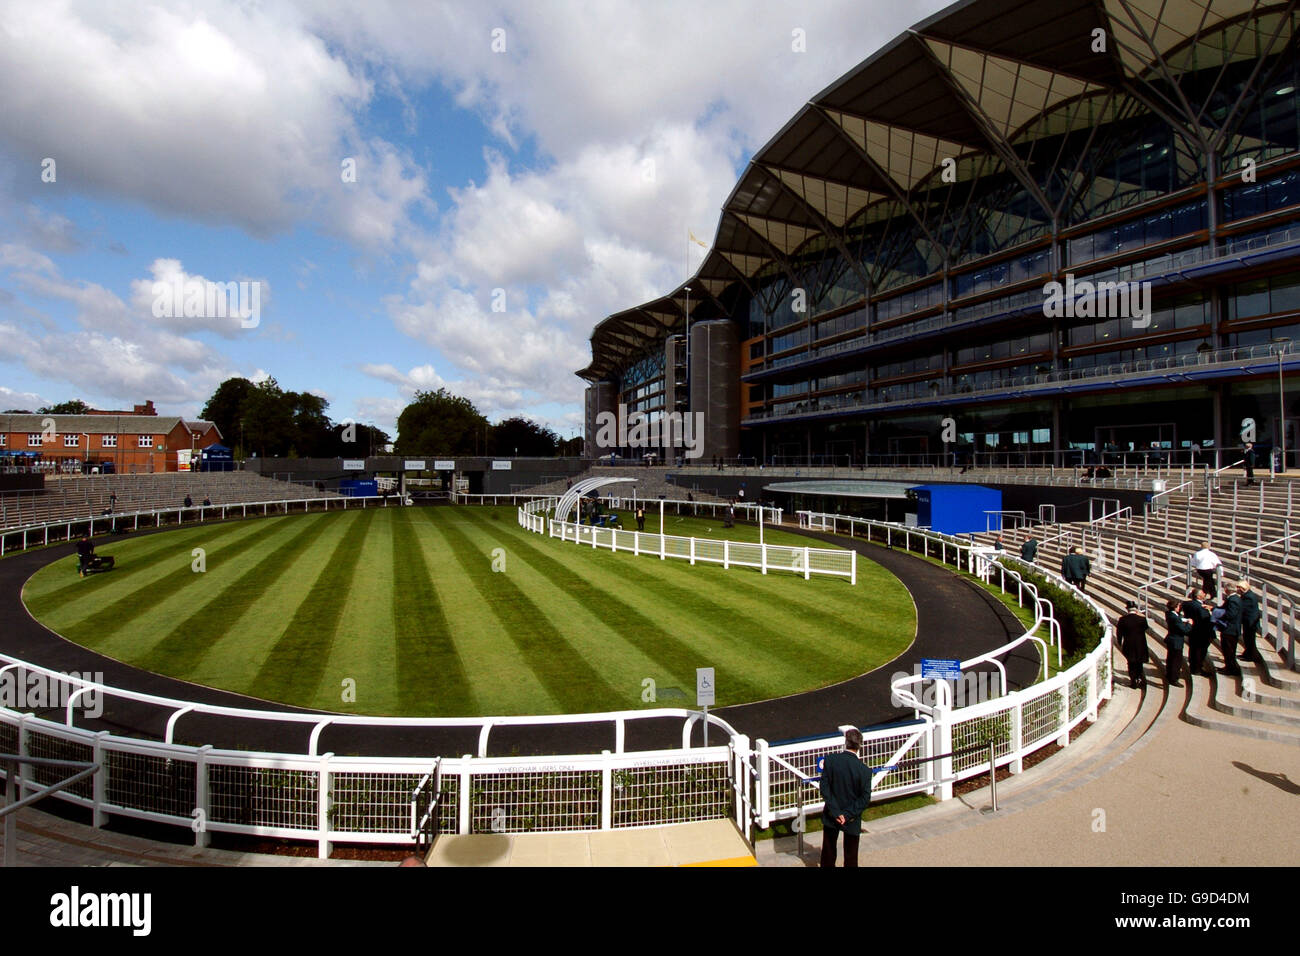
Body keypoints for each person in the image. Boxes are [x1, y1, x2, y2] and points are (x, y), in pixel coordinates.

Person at [818, 727, 872, 868]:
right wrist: (846, 815)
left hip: (832, 813)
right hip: (852, 817)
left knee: (828, 852)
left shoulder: (831, 760)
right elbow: (864, 799)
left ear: (846, 742)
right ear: (859, 745)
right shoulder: (864, 771)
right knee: (851, 856)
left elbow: (825, 788)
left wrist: (836, 812)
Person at [1116, 601, 1150, 689]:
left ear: (1127, 609)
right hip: (1140, 645)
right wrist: (1142, 616)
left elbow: (1119, 633)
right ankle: (1141, 680)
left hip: (1128, 645)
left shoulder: (1122, 620)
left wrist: (1119, 642)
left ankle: (1133, 681)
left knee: (1131, 664)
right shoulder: (1141, 619)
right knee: (1139, 664)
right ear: (1136, 610)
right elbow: (1146, 627)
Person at [1183, 588, 1215, 679]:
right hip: (1202, 633)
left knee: (1193, 650)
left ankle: (1193, 667)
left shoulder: (1187, 604)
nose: (1205, 594)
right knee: (1199, 652)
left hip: (1193, 631)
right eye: (1203, 593)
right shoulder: (1200, 608)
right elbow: (1206, 620)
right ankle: (1197, 669)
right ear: (1198, 596)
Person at [1162, 596, 1191, 688]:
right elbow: (1185, 630)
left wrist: (1183, 619)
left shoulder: (1169, 614)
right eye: (1178, 606)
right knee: (1176, 661)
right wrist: (1190, 624)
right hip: (1176, 641)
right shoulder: (1174, 618)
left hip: (1171, 640)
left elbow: (1178, 618)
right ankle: (1174, 679)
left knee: (1171, 659)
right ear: (1175, 607)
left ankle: (1169, 674)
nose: (1180, 608)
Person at [1218, 584, 1244, 677]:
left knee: (1229, 650)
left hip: (1230, 629)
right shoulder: (1234, 599)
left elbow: (1230, 614)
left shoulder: (1233, 600)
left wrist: (1218, 614)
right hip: (1231, 629)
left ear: (1227, 590)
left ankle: (1231, 669)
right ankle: (1228, 667)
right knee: (1228, 650)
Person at [1236, 578, 1262, 665]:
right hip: (1248, 621)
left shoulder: (1249, 597)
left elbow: (1242, 608)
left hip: (1250, 623)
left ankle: (1252, 656)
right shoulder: (1247, 595)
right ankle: (1247, 654)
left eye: (1238, 587)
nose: (1237, 589)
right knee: (1247, 639)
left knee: (1250, 640)